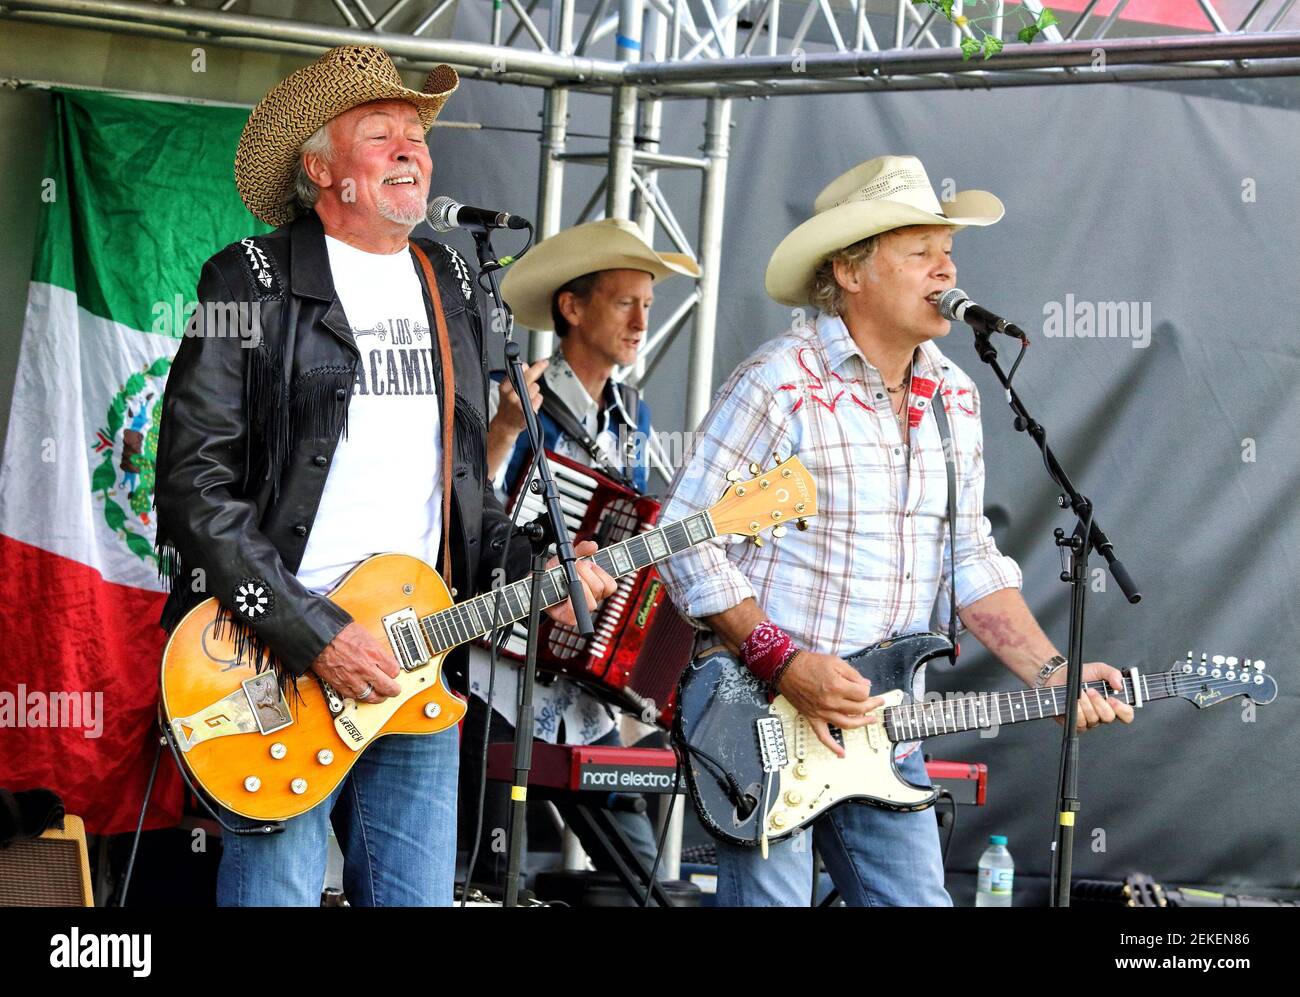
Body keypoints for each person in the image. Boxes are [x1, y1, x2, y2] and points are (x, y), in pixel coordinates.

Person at [154, 45, 615, 908]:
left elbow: (460, 495)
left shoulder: (449, 285)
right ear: (322, 170)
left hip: (415, 655)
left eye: (418, 135)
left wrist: (531, 570)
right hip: (273, 665)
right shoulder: (247, 280)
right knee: (277, 894)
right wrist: (314, 631)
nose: (413, 150)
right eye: (382, 134)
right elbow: (192, 489)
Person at [657, 154, 1134, 907]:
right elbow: (682, 534)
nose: (947, 270)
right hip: (763, 714)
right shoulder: (781, 380)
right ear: (850, 270)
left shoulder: (955, 394)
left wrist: (1053, 672)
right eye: (921, 252)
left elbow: (969, 559)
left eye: (949, 252)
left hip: (884, 734)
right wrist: (784, 661)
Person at [458, 218, 700, 884]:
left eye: (648, 305)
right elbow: (467, 512)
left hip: (580, 675)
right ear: (572, 306)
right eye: (626, 302)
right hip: (498, 663)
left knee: (639, 867)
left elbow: (634, 526)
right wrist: (508, 426)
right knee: (489, 867)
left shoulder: (632, 414)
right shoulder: (516, 390)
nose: (641, 321)